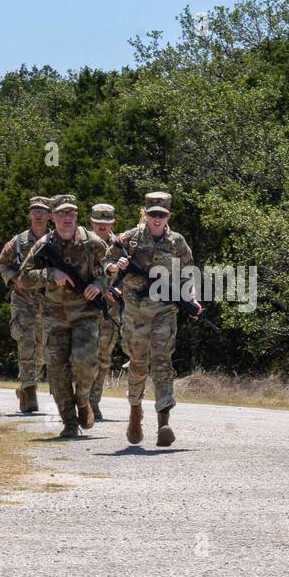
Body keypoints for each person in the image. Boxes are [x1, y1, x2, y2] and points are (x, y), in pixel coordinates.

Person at [104, 191, 200, 447]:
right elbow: (107, 264)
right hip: (135, 312)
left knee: (162, 362)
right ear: (145, 214)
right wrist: (116, 267)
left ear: (169, 216)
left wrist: (191, 297)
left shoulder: (177, 242)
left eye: (162, 215)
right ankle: (135, 412)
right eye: (153, 214)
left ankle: (163, 422)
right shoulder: (129, 238)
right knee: (138, 363)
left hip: (165, 311)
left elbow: (189, 273)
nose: (157, 219)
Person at [18, 194, 109, 438]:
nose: (66, 218)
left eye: (70, 213)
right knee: (57, 372)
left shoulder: (92, 242)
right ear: (52, 217)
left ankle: (83, 402)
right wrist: (49, 274)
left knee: (84, 363)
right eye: (60, 214)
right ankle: (69, 424)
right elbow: (24, 277)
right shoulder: (43, 245)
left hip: (85, 315)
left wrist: (99, 285)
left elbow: (113, 270)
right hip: (55, 318)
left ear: (77, 216)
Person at [0, 196, 50, 413]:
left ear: (49, 216)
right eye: (34, 211)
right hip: (23, 300)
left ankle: (26, 386)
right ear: (29, 215)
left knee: (43, 350)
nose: (38, 215)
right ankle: (30, 393)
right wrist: (13, 279)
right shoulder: (18, 242)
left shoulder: (56, 241)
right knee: (25, 344)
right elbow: (3, 263)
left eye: (42, 211)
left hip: (48, 302)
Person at [87, 203, 120, 422]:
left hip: (111, 312)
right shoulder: (82, 243)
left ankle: (93, 403)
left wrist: (120, 290)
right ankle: (79, 401)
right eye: (98, 223)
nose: (102, 227)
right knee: (83, 358)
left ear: (113, 223)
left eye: (106, 223)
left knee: (103, 358)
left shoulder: (121, 246)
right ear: (91, 222)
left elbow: (133, 275)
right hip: (85, 310)